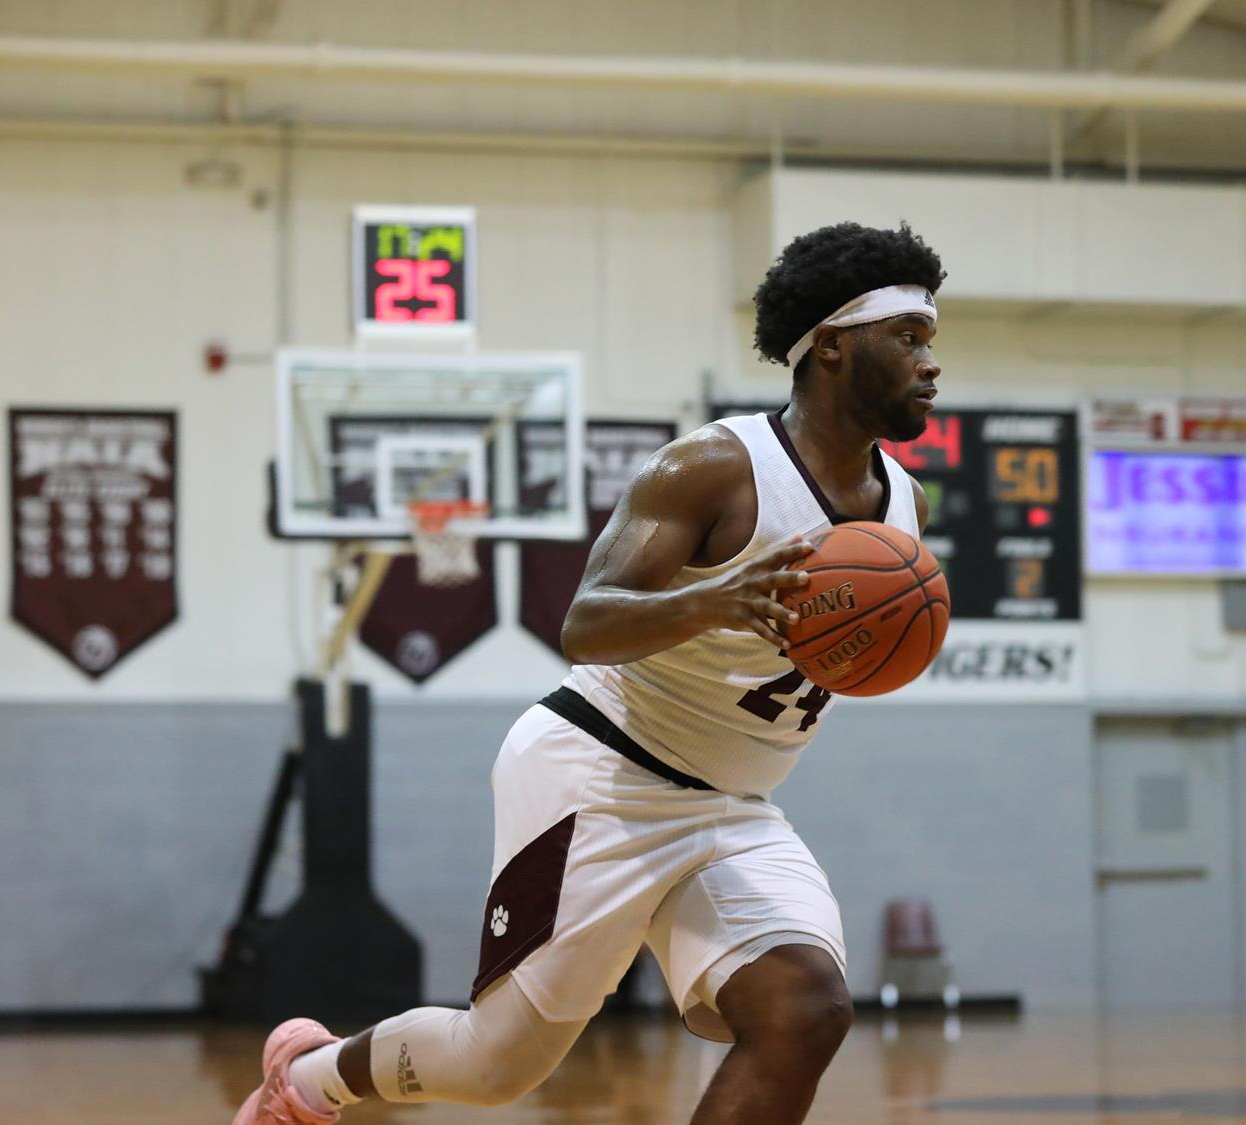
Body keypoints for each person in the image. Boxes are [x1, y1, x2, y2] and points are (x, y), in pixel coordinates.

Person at [234, 220, 945, 1125]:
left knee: (807, 1010)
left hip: (731, 807)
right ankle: (304, 1081)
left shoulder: (906, 509)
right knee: (497, 1065)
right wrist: (720, 597)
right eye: (910, 338)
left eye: (932, 340)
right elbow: (585, 623)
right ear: (835, 348)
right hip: (600, 772)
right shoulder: (716, 467)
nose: (930, 362)